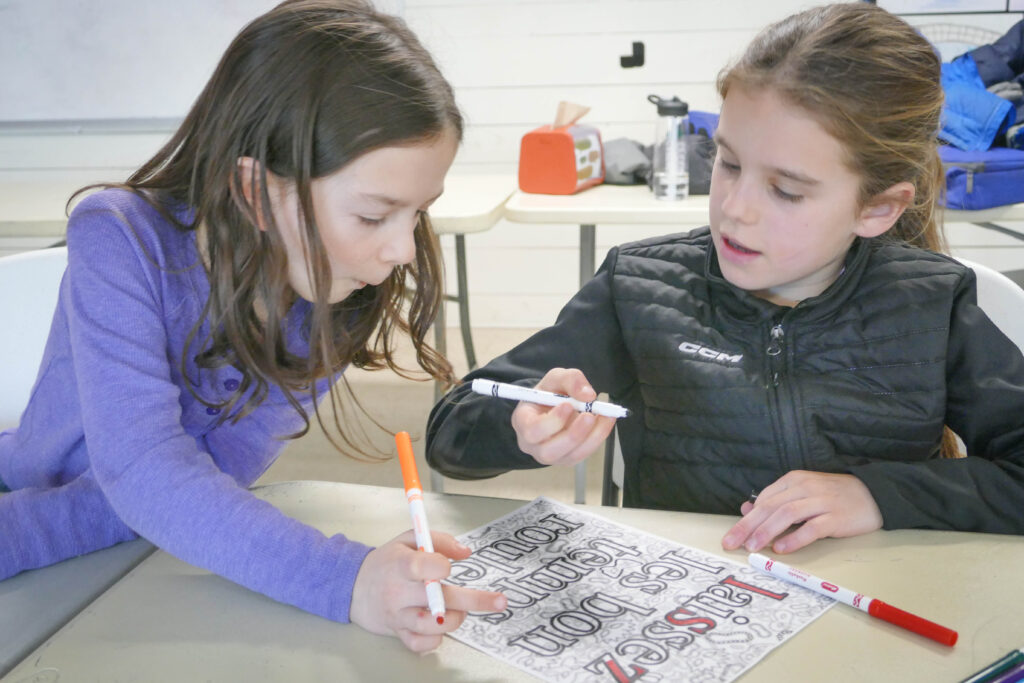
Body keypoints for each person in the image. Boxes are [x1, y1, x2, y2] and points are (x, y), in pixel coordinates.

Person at [426, 3, 1024, 556]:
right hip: (688, 611)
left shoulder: (935, 304)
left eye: (786, 190)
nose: (735, 208)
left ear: (877, 208)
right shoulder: (640, 287)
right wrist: (521, 427)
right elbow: (451, 431)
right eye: (727, 163)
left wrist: (877, 496)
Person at [0, 0, 504, 653]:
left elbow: (194, 479)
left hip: (113, 552)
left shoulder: (333, 292)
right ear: (257, 190)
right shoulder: (116, 235)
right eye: (375, 214)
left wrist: (350, 579)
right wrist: (344, 577)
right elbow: (148, 474)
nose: (405, 250)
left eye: (417, 212)